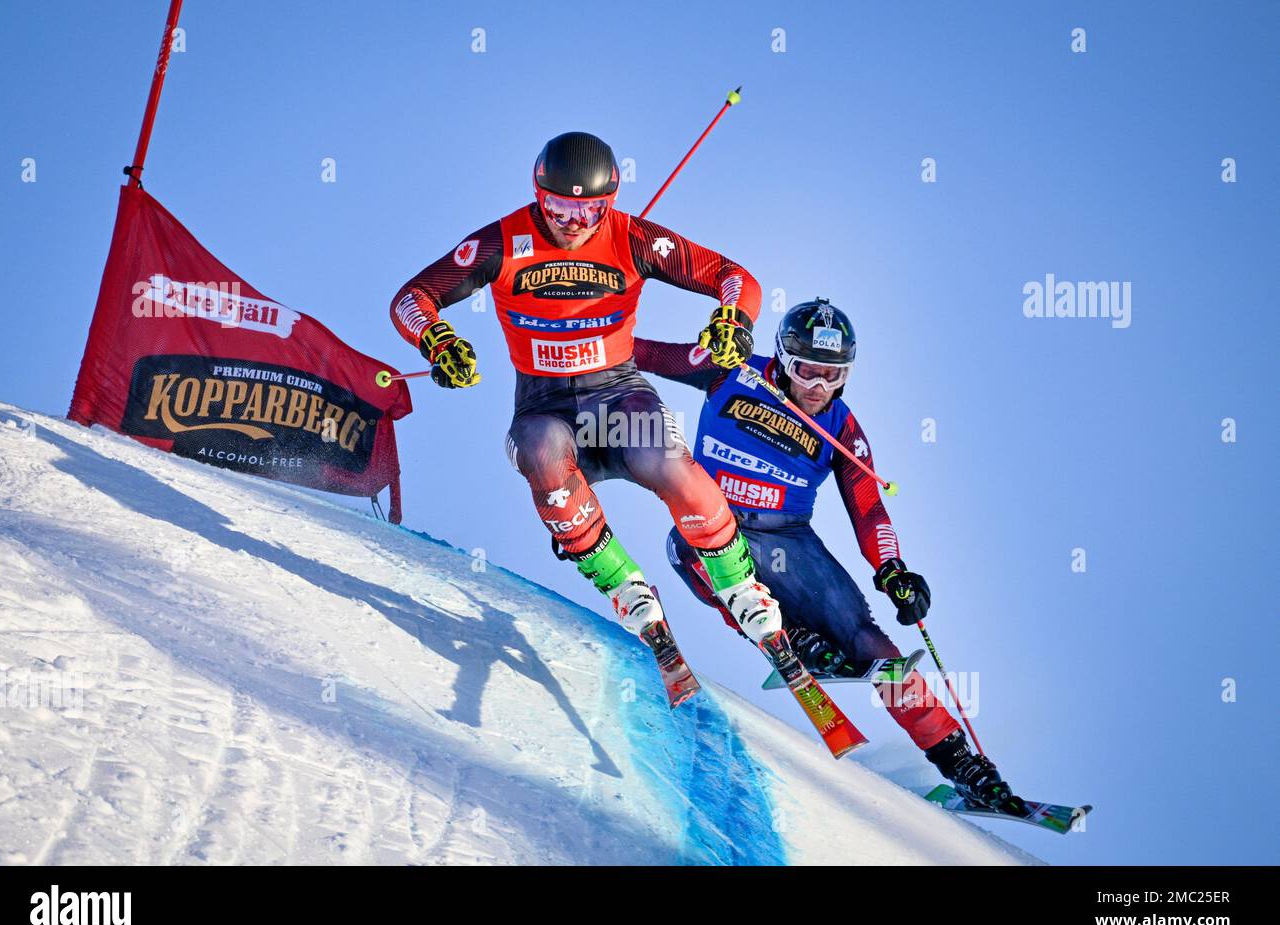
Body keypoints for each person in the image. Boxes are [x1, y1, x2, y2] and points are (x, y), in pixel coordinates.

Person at [388, 131, 789, 657]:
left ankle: (739, 585)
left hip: (618, 393)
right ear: (538, 193)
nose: (573, 224)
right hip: (544, 402)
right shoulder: (502, 242)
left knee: (665, 463)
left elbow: (734, 277)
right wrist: (434, 339)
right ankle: (624, 585)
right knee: (541, 455)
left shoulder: (631, 237)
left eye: (590, 210)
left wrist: (734, 319)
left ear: (611, 203)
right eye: (558, 207)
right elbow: (411, 299)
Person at [634, 298, 1023, 811]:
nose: (818, 388)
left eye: (832, 376)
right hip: (713, 521)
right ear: (781, 359)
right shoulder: (730, 370)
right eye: (807, 372)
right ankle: (789, 636)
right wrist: (577, 331)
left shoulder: (842, 427)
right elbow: (635, 352)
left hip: (789, 541)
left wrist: (892, 569)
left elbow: (868, 508)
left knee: (870, 643)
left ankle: (964, 764)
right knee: (687, 544)